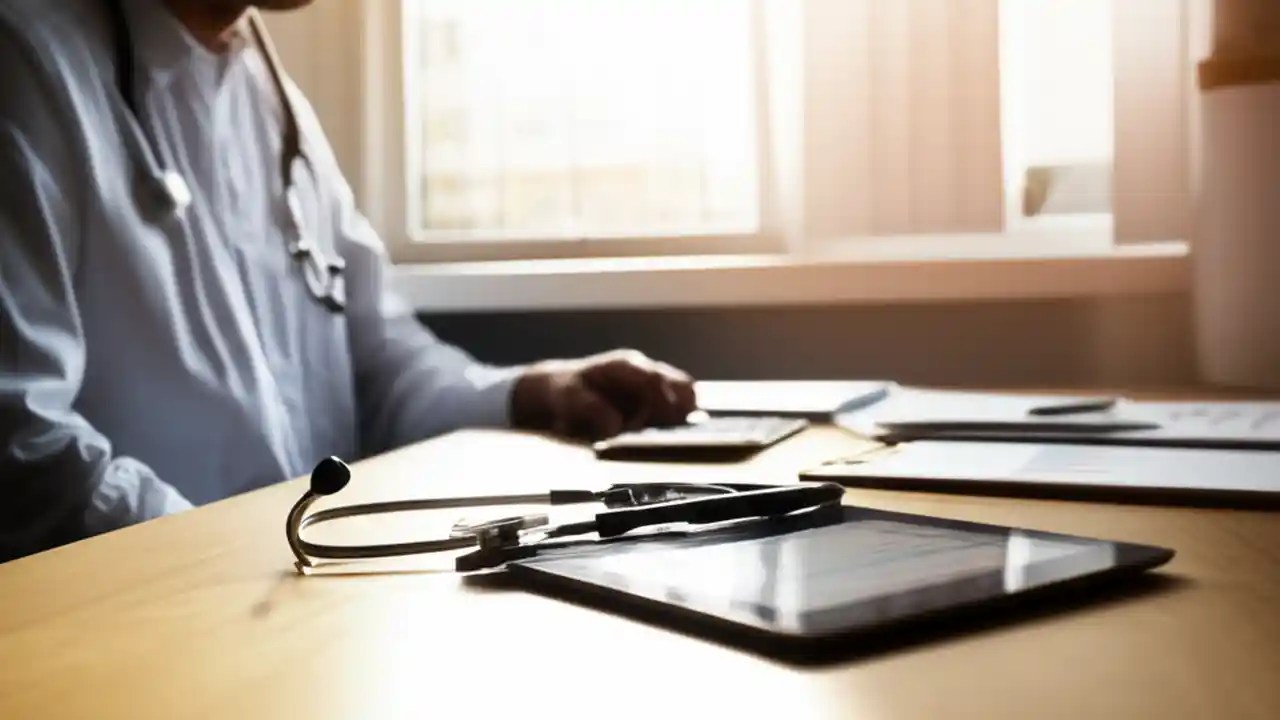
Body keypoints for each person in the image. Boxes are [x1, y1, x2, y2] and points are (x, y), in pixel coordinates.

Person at [0, 0, 697, 562]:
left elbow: (384, 369)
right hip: (139, 621)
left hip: (288, 601)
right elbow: (22, 443)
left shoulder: (272, 99)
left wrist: (538, 392)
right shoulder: (25, 59)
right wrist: (221, 563)